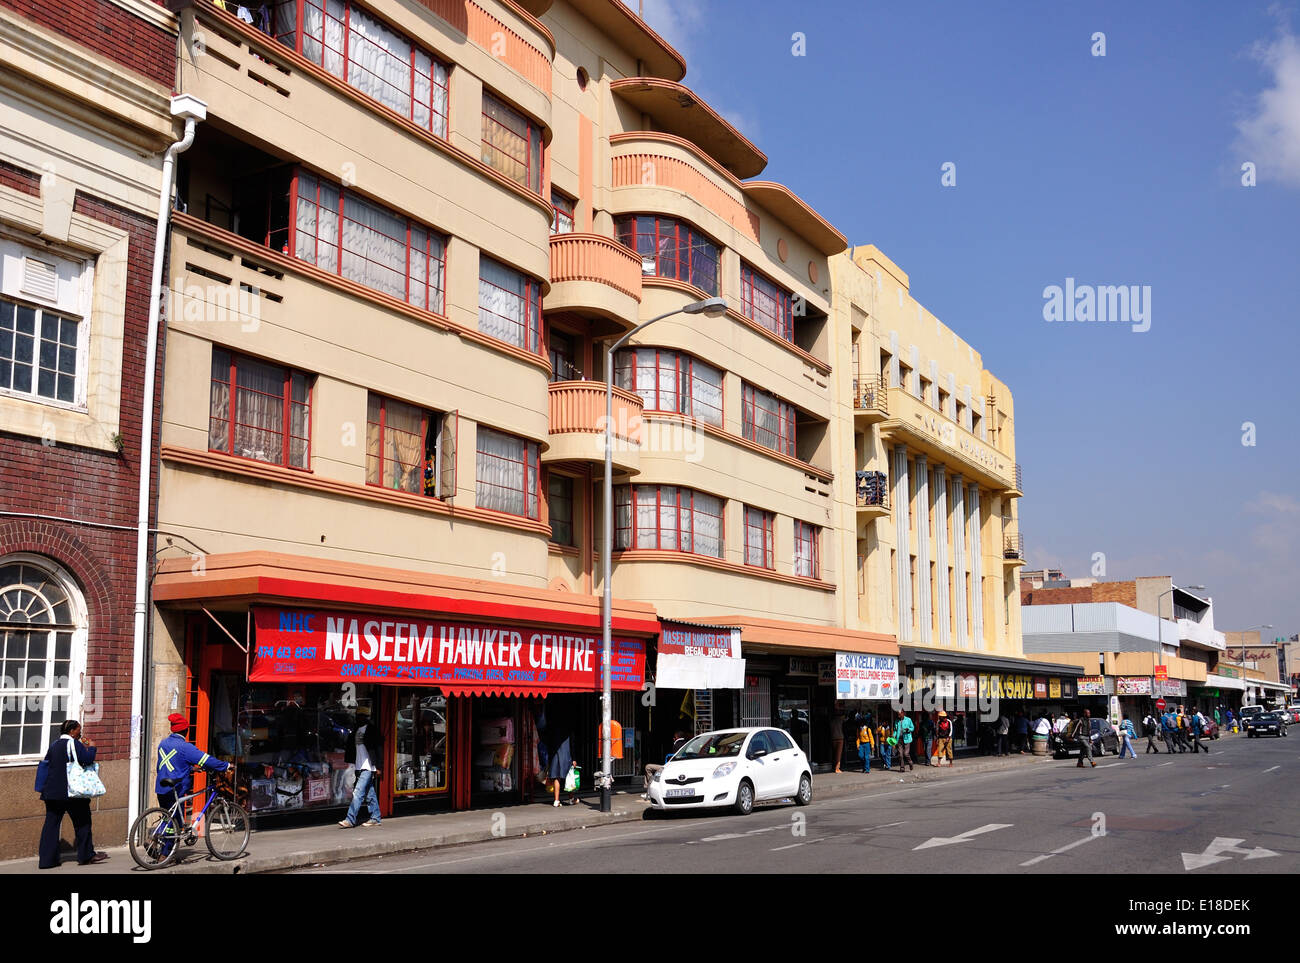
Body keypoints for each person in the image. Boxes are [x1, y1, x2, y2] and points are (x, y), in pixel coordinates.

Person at [37, 720, 107, 868]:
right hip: (72, 792)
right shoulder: (74, 744)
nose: (80, 733)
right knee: (83, 822)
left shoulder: (54, 745)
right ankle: (86, 855)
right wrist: (92, 748)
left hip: (52, 793)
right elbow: (87, 760)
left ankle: (46, 861)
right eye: (78, 730)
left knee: (51, 825)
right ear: (72, 731)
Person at [156, 712, 232, 832]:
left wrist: (191, 768)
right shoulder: (185, 747)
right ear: (185, 730)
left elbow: (169, 765)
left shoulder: (163, 744)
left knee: (168, 817)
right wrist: (225, 765)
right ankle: (165, 849)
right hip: (177, 787)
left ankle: (158, 840)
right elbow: (206, 760)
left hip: (161, 786)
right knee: (174, 823)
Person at [340, 707, 383, 828]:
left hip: (368, 767)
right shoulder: (356, 730)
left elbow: (379, 749)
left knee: (358, 792)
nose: (358, 718)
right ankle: (375, 817)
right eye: (358, 716)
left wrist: (379, 766)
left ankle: (350, 819)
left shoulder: (372, 730)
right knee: (370, 794)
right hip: (359, 766)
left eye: (361, 716)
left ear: (366, 718)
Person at [540, 695, 576, 807]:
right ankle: (571, 799)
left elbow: (548, 742)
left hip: (555, 755)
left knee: (557, 777)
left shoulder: (552, 729)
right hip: (566, 755)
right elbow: (572, 744)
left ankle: (556, 800)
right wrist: (574, 758)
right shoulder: (568, 729)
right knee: (569, 778)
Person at [830, 709, 845, 774]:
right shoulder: (841, 721)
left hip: (833, 737)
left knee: (835, 753)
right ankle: (837, 768)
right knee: (839, 754)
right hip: (840, 738)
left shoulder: (831, 721)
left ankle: (834, 767)